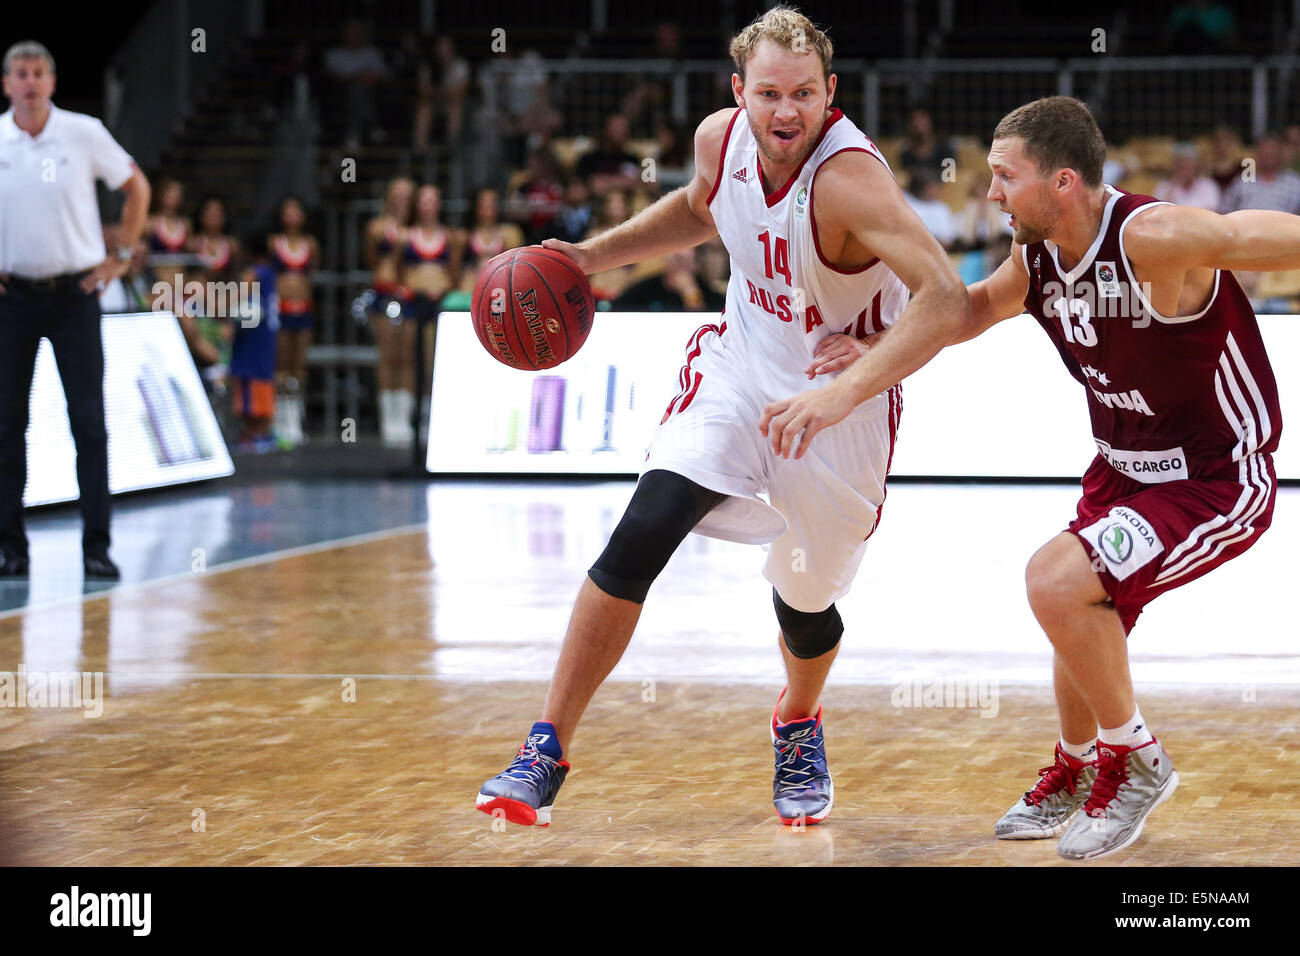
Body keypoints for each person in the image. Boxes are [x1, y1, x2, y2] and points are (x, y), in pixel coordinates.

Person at [474, 6, 966, 829]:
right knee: (644, 528)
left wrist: (856, 374)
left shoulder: (851, 181)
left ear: (830, 92)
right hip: (738, 371)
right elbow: (703, 209)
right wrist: (590, 259)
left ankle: (798, 721)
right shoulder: (721, 140)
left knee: (804, 606)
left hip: (837, 408)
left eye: (804, 94)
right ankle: (544, 749)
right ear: (739, 92)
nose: (785, 112)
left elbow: (945, 296)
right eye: (768, 93)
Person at [765, 95, 1284, 860]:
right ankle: (1078, 769)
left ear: (1063, 182)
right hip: (1123, 473)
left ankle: (1134, 762)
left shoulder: (1155, 236)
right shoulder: (1036, 258)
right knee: (1078, 611)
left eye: (1006, 176)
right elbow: (966, 312)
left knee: (1055, 580)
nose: (991, 192)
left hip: (1215, 478)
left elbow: (1246, 236)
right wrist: (875, 346)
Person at [0, 40, 151, 581]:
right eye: (21, 74)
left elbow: (137, 187)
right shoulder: (0, 137)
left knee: (88, 422)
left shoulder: (82, 133)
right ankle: (10, 548)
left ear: (53, 82)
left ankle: (97, 547)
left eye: (39, 73)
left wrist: (122, 258)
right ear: (7, 84)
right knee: (5, 426)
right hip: (13, 297)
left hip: (74, 296)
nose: (31, 83)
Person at [365, 176, 415, 445]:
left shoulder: (417, 229)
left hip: (408, 293)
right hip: (385, 292)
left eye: (407, 195)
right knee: (387, 356)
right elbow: (371, 260)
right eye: (397, 194)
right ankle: (388, 418)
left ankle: (405, 418)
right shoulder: (375, 227)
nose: (401, 200)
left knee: (406, 357)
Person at [267, 196, 319, 446]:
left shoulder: (311, 244)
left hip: (304, 308)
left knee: (299, 367)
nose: (292, 215)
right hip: (282, 307)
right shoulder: (273, 243)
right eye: (287, 211)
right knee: (281, 365)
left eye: (296, 210)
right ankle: (279, 419)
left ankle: (295, 418)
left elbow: (311, 274)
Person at [1154, 142, 1221, 211]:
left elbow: (1212, 212)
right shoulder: (1164, 186)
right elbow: (1161, 211)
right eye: (1179, 164)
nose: (1183, 168)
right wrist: (1173, 186)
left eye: (1187, 163)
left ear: (1195, 165)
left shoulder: (1208, 186)